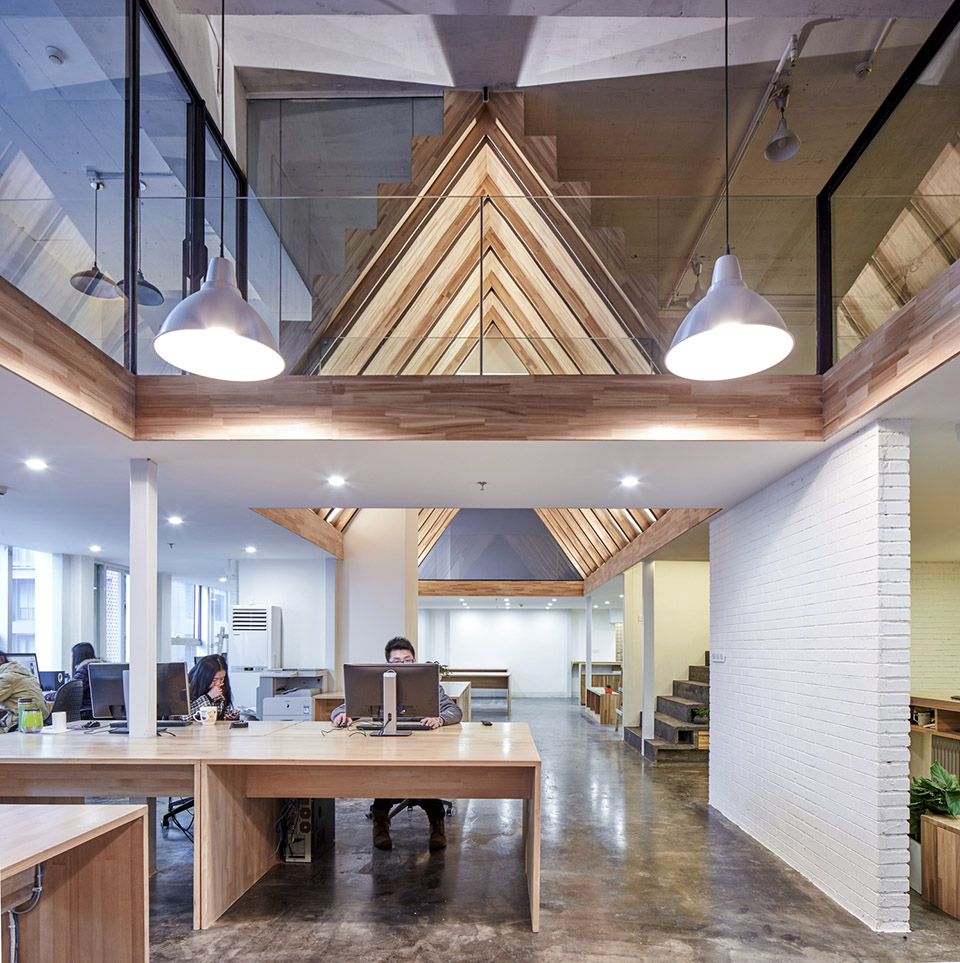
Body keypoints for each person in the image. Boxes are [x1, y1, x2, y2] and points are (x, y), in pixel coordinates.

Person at [330, 636, 462, 852]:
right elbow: (341, 708)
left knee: (426, 775)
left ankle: (436, 824)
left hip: (421, 744)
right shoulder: (375, 683)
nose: (403, 666)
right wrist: (342, 715)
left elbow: (455, 711)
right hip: (386, 743)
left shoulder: (428, 685)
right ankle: (380, 822)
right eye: (397, 662)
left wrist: (439, 719)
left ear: (415, 661)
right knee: (383, 776)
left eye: (408, 661)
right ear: (387, 664)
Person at [0, 650, 51, 732]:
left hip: (20, 727)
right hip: (39, 724)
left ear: (1, 659)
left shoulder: (7, 678)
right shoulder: (24, 673)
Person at [188, 655, 239, 720]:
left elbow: (221, 717)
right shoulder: (188, 688)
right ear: (203, 677)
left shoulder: (222, 687)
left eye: (222, 679)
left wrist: (231, 716)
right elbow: (184, 717)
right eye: (214, 680)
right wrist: (209, 697)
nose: (218, 683)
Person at [70, 644, 104, 720]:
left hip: (86, 713)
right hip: (101, 712)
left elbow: (68, 692)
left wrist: (47, 696)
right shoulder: (101, 667)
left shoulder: (84, 670)